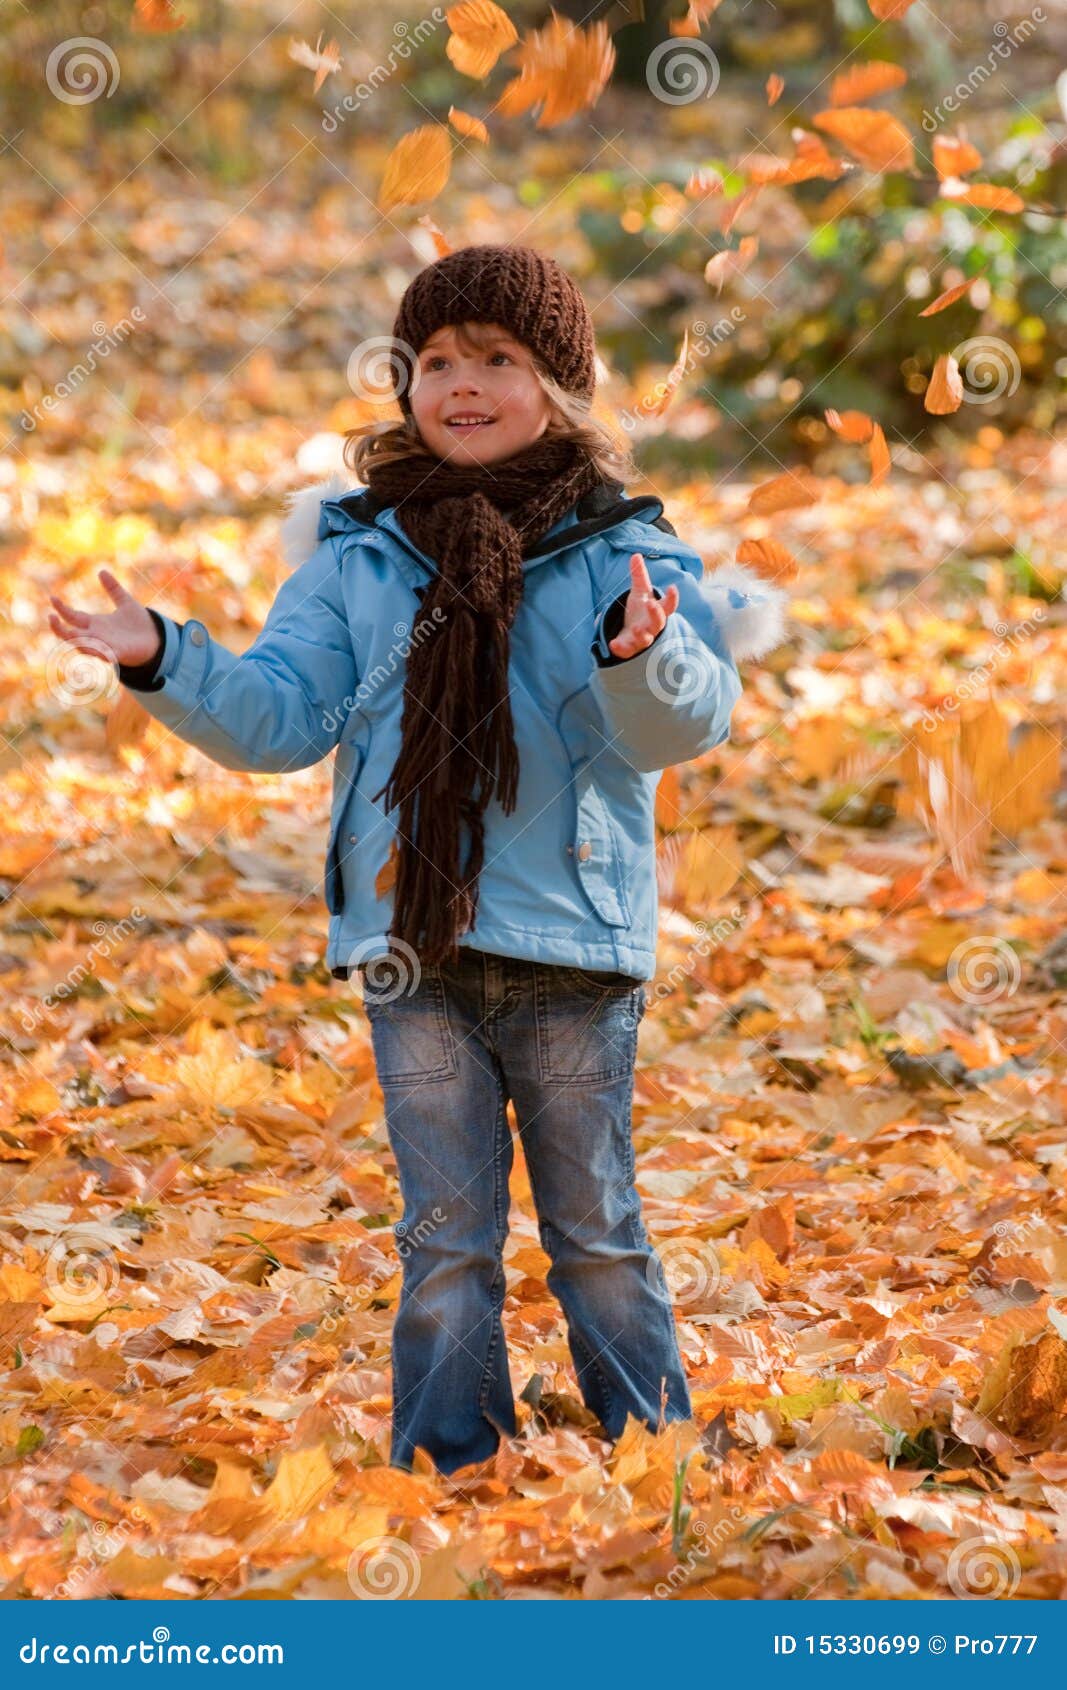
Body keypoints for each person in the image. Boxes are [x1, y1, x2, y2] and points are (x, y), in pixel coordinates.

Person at [48, 243, 788, 1477]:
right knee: (444, 1235)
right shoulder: (358, 552)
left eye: (499, 360)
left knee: (594, 1226)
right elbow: (281, 715)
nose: (462, 383)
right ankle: (450, 1463)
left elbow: (682, 723)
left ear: (560, 383)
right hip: (415, 952)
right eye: (436, 360)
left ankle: (651, 1456)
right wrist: (163, 658)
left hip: (570, 944)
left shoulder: (625, 551)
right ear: (403, 383)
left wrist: (638, 653)